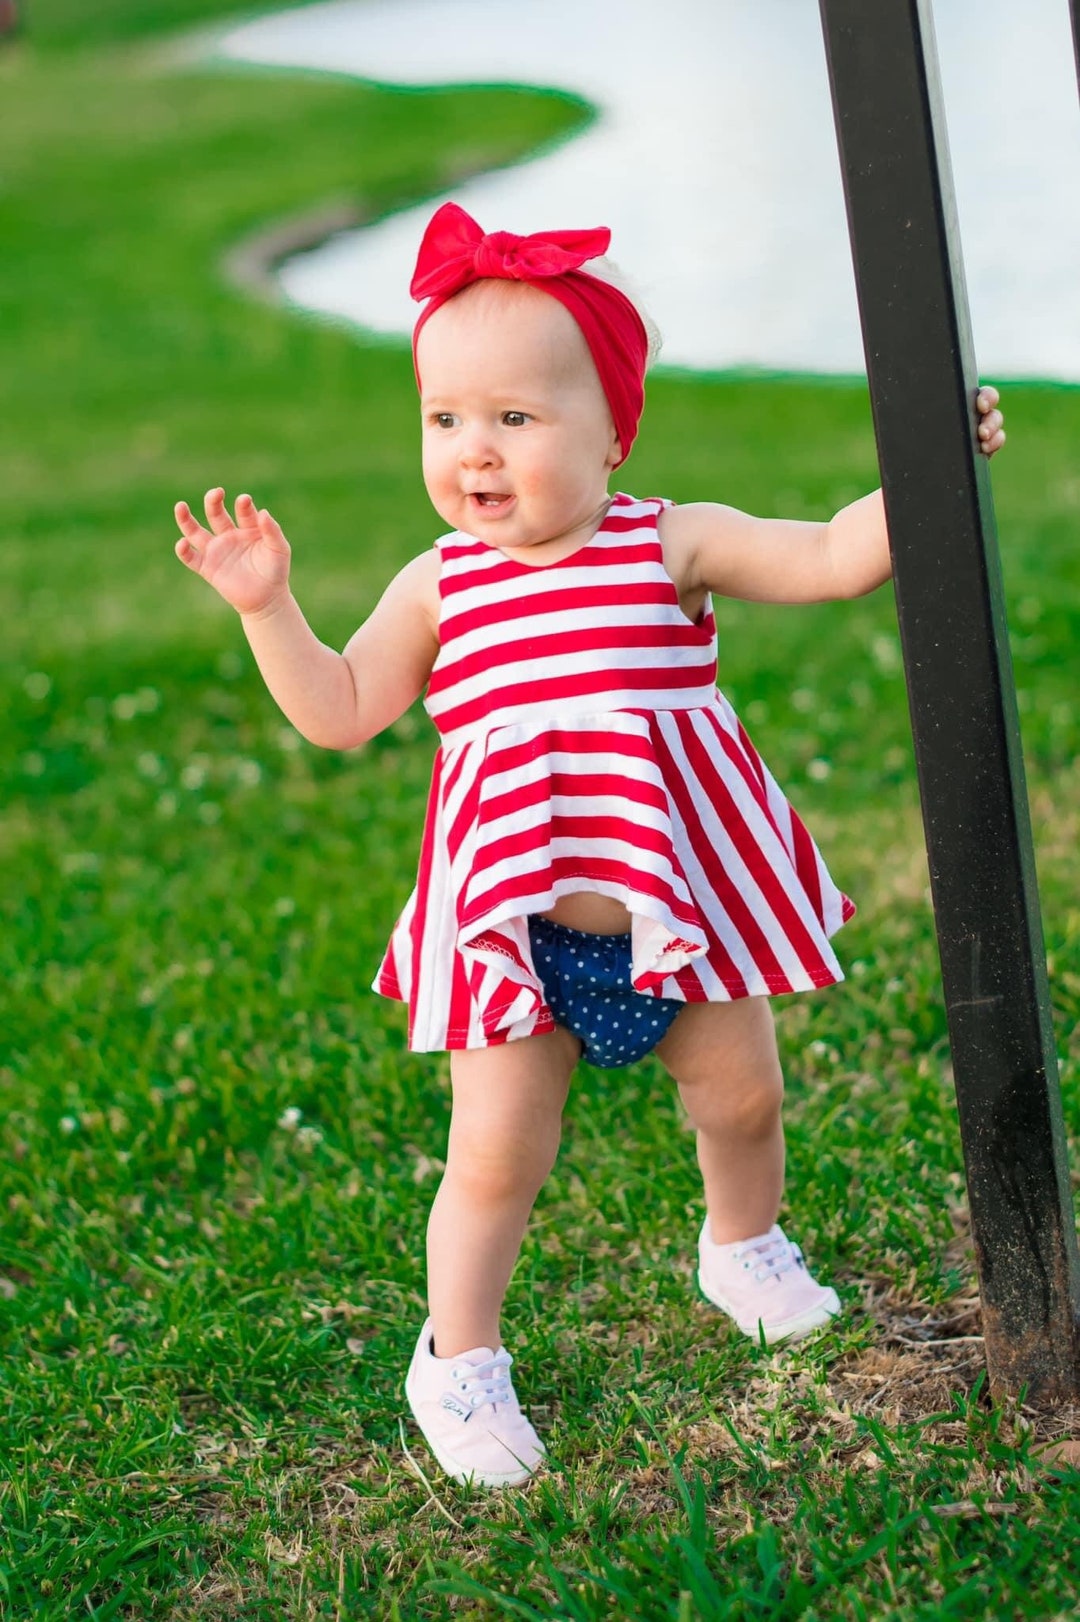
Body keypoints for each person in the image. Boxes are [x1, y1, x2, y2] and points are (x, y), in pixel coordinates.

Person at [173, 202, 1005, 1490]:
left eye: (516, 418)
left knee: (742, 1099)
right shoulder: (441, 583)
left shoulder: (666, 541)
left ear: (613, 431)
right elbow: (340, 714)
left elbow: (839, 557)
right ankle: (458, 1357)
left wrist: (926, 477)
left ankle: (744, 1248)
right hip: (514, 927)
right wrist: (270, 608)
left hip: (675, 911)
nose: (476, 454)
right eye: (446, 420)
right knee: (498, 1154)